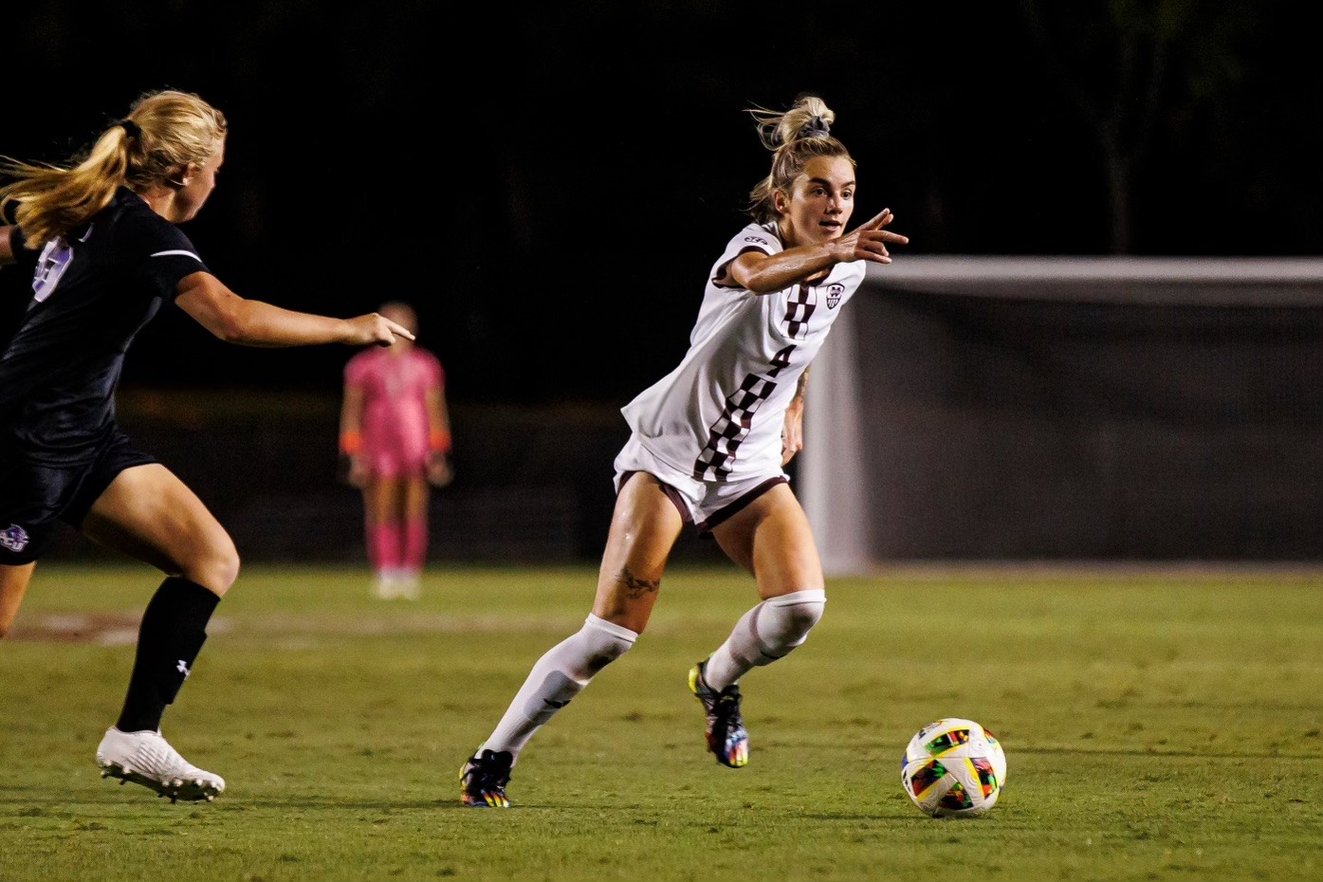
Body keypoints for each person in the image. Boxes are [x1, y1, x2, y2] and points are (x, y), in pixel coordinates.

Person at [458, 94, 909, 807]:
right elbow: (762, 281)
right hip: (671, 454)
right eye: (818, 191)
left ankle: (717, 682)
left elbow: (805, 336)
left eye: (846, 193)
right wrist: (832, 251)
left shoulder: (845, 266)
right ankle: (492, 757)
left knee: (800, 607)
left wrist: (793, 401)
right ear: (782, 198)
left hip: (749, 464)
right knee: (609, 636)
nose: (835, 206)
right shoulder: (749, 247)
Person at [0, 89, 414, 803]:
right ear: (184, 173)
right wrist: (350, 327)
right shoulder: (139, 228)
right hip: (23, 444)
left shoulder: (92, 208)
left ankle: (135, 734)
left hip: (84, 439)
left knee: (209, 558)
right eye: (215, 170)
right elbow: (231, 320)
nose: (218, 184)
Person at [338, 300, 452, 600]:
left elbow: (435, 410)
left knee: (414, 510)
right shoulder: (362, 365)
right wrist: (354, 453)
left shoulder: (426, 364)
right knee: (382, 510)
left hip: (416, 444)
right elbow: (352, 412)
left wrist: (437, 450)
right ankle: (386, 571)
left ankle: (410, 572)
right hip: (379, 445)